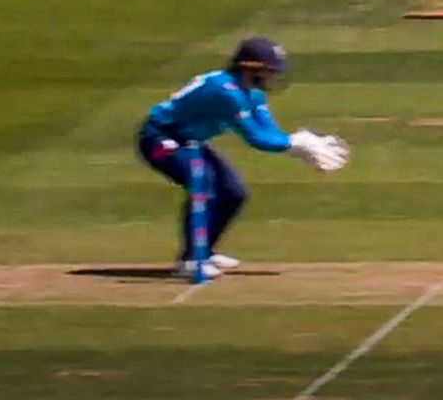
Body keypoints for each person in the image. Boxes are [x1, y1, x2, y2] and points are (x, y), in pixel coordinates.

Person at [137, 37, 349, 278]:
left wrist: (296, 143)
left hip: (189, 141)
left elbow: (269, 131)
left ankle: (204, 251)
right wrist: (294, 144)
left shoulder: (253, 93)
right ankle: (191, 260)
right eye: (270, 71)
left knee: (234, 192)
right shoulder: (225, 92)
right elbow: (256, 138)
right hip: (158, 139)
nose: (273, 77)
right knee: (202, 184)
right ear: (251, 69)